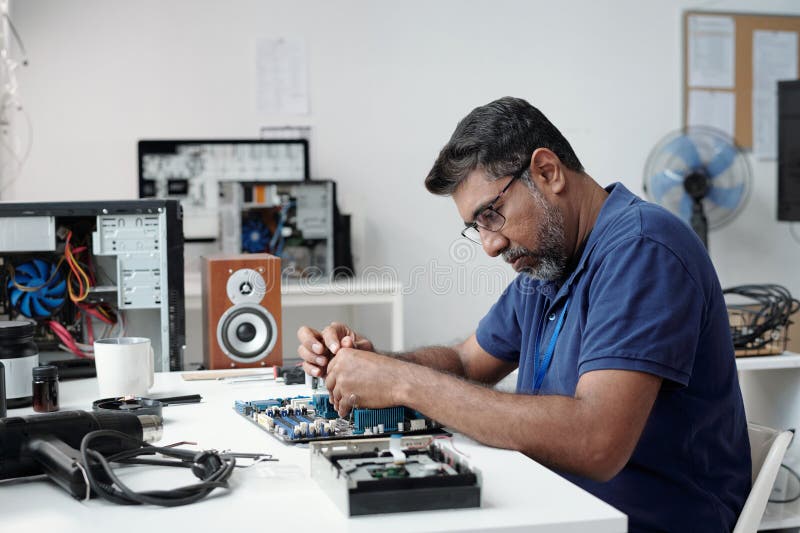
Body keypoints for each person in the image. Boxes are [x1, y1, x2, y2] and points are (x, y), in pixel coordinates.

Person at [297, 96, 751, 532]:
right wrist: (374, 364)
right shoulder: (548, 267)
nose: (490, 245)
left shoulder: (643, 249)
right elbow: (465, 363)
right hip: (559, 505)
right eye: (476, 227)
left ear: (547, 171)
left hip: (644, 522)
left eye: (491, 214)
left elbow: (596, 441)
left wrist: (402, 382)